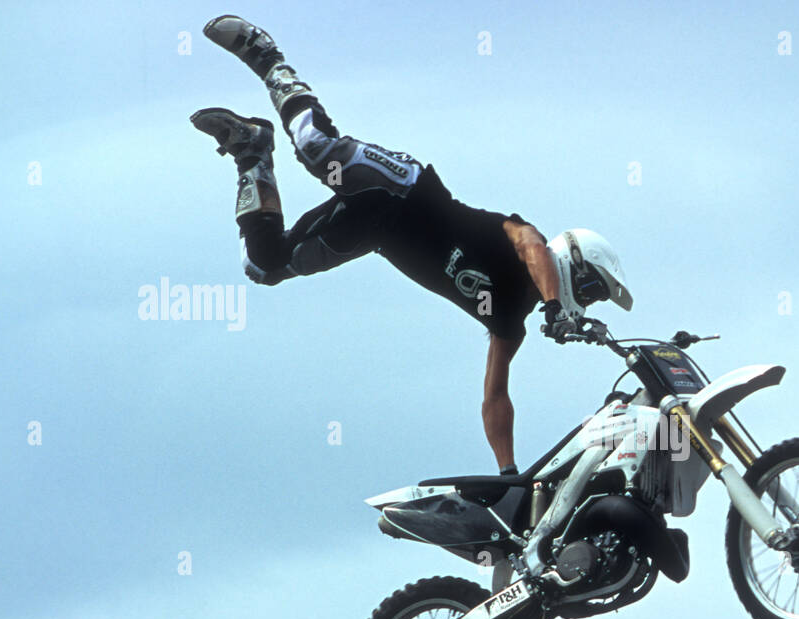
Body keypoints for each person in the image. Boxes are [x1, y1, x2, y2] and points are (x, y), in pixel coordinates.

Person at [190, 15, 633, 474]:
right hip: (403, 190)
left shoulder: (509, 324)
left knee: (263, 265)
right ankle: (266, 57)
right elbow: (532, 248)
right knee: (315, 145)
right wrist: (556, 307)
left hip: (373, 231)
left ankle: (251, 149)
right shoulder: (527, 239)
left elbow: (495, 397)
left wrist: (508, 473)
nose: (588, 302)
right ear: (575, 262)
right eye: (591, 290)